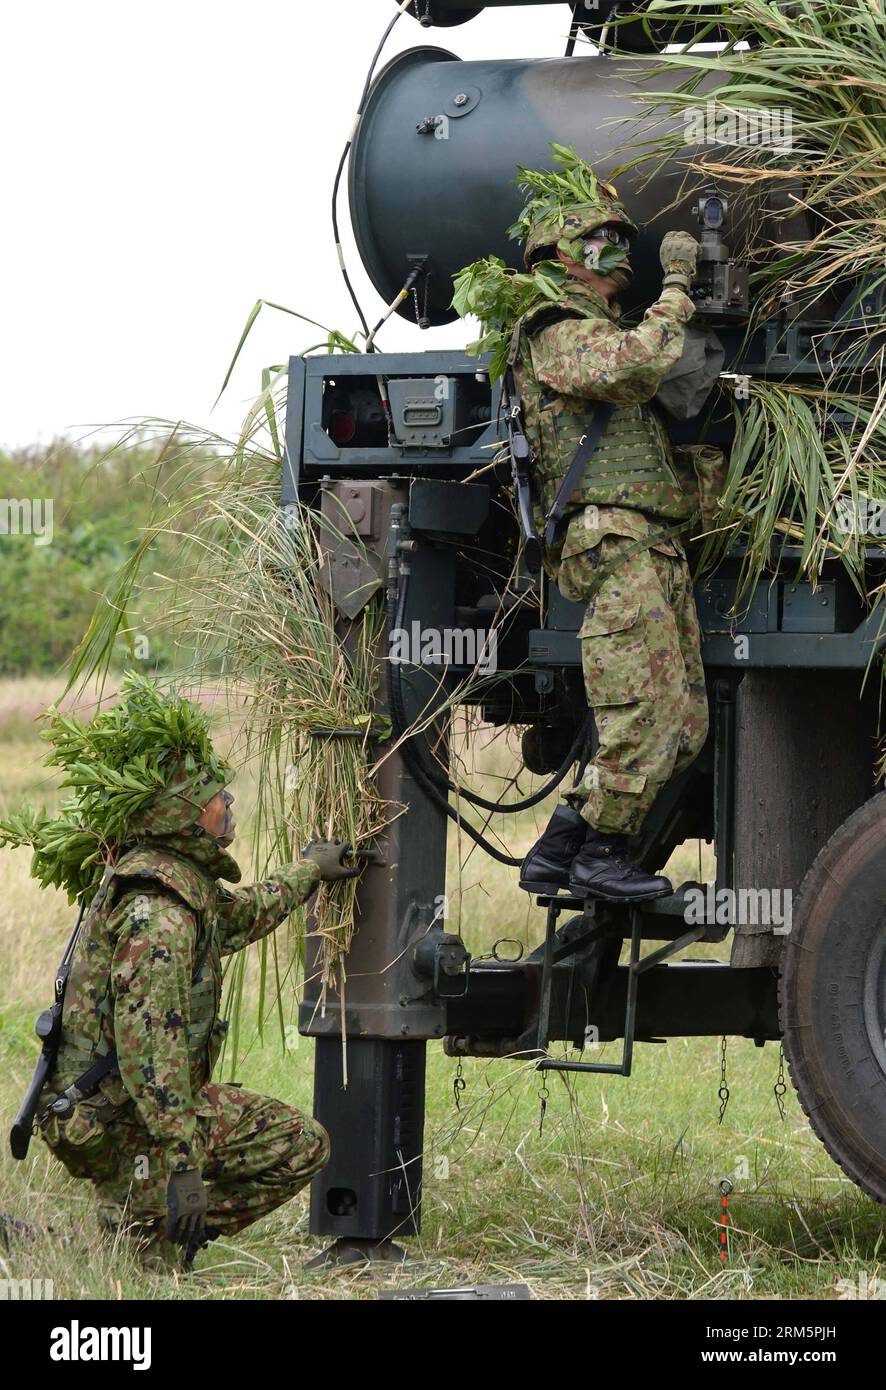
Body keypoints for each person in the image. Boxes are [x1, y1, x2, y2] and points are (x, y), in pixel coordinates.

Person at [13, 678, 357, 1268]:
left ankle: (133, 1233)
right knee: (300, 1144)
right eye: (218, 796)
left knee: (282, 1144)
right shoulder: (163, 918)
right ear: (185, 816)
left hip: (112, 1111)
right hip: (115, 1120)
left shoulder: (169, 878)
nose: (230, 804)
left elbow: (238, 916)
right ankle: (142, 1228)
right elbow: (153, 1051)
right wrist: (183, 1167)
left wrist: (309, 872)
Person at [510, 155, 723, 902]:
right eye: (601, 240)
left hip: (649, 543)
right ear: (562, 258)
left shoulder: (595, 333)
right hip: (613, 545)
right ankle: (600, 857)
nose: (618, 252)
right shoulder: (555, 331)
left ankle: (560, 854)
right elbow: (635, 368)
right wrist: (676, 289)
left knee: (685, 721)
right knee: (643, 714)